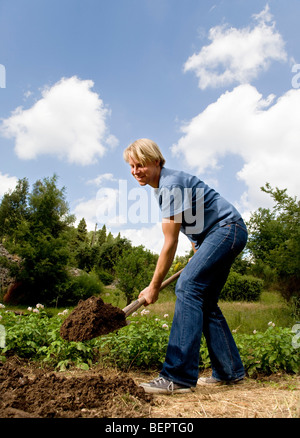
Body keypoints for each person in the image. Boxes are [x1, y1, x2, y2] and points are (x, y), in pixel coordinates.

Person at [123, 138, 248, 394]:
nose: (135, 171)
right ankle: (230, 371)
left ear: (156, 161)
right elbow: (192, 226)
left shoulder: (171, 185)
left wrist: (153, 287)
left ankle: (177, 376)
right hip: (221, 234)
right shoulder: (163, 188)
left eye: (141, 165)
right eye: (132, 166)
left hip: (226, 229)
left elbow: (169, 243)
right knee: (206, 302)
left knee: (188, 287)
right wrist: (199, 252)